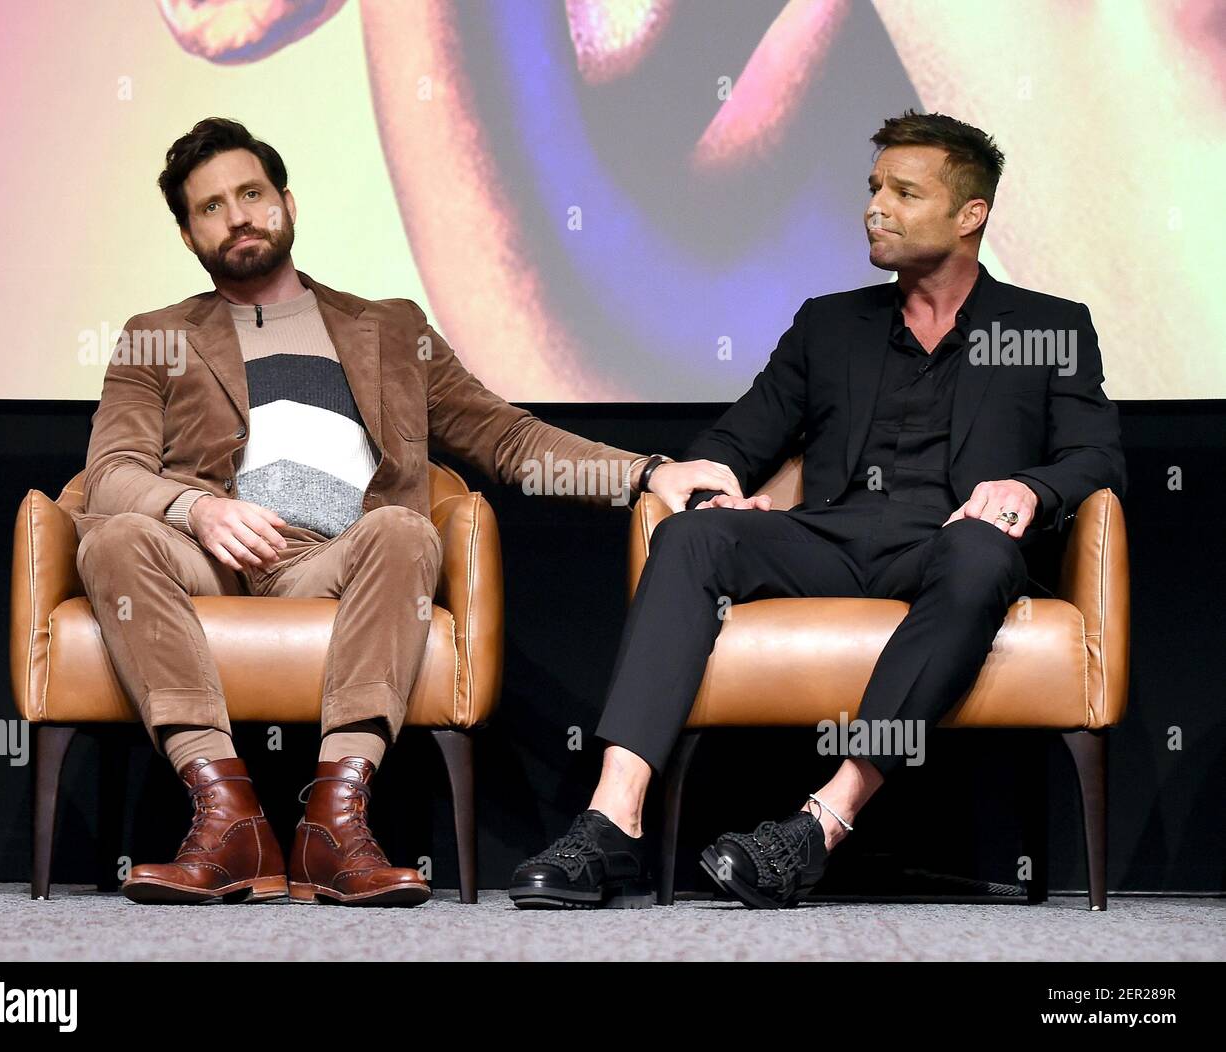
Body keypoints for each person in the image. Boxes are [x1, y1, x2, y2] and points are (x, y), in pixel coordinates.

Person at [73, 117, 736, 906]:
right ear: (188, 235)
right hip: (206, 564)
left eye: (251, 193)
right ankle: (228, 818)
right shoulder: (156, 338)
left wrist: (645, 472)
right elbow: (110, 474)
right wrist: (197, 510)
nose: (238, 216)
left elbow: (506, 437)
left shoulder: (390, 329)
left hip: (336, 561)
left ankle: (334, 823)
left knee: (402, 528)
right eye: (211, 207)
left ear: (287, 203)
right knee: (112, 539)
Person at [510, 110, 1126, 910]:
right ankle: (611, 822)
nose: (876, 208)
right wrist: (713, 479)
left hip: (948, 546)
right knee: (694, 536)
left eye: (904, 193)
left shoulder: (1047, 327)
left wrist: (1031, 489)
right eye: (874, 188)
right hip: (831, 538)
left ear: (970, 215)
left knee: (981, 553)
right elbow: (741, 437)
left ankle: (821, 822)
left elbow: (1096, 457)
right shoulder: (830, 324)